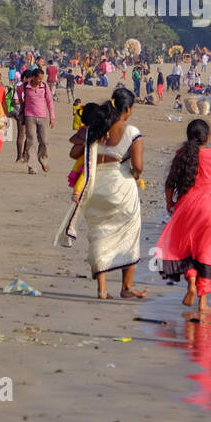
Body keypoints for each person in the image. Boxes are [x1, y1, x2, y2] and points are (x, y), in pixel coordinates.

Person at [55, 87, 147, 299]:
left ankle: (102, 289)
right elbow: (138, 165)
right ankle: (126, 286)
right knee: (130, 232)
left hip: (95, 185)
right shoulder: (131, 132)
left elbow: (75, 151)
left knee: (99, 235)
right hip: (120, 185)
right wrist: (134, 174)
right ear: (128, 109)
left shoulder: (96, 128)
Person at [156, 119, 211, 313]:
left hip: (186, 207)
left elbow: (170, 183)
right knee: (206, 251)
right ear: (208, 137)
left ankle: (191, 284)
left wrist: (169, 203)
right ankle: (203, 301)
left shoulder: (182, 155)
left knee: (187, 248)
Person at [18, 67, 56, 174]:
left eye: (41, 79)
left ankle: (43, 159)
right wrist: (22, 105)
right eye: (38, 79)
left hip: (43, 117)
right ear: (33, 77)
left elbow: (49, 102)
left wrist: (52, 117)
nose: (40, 81)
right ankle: (32, 166)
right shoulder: (26, 86)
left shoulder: (44, 86)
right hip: (30, 116)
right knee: (31, 141)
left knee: (44, 141)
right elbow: (18, 91)